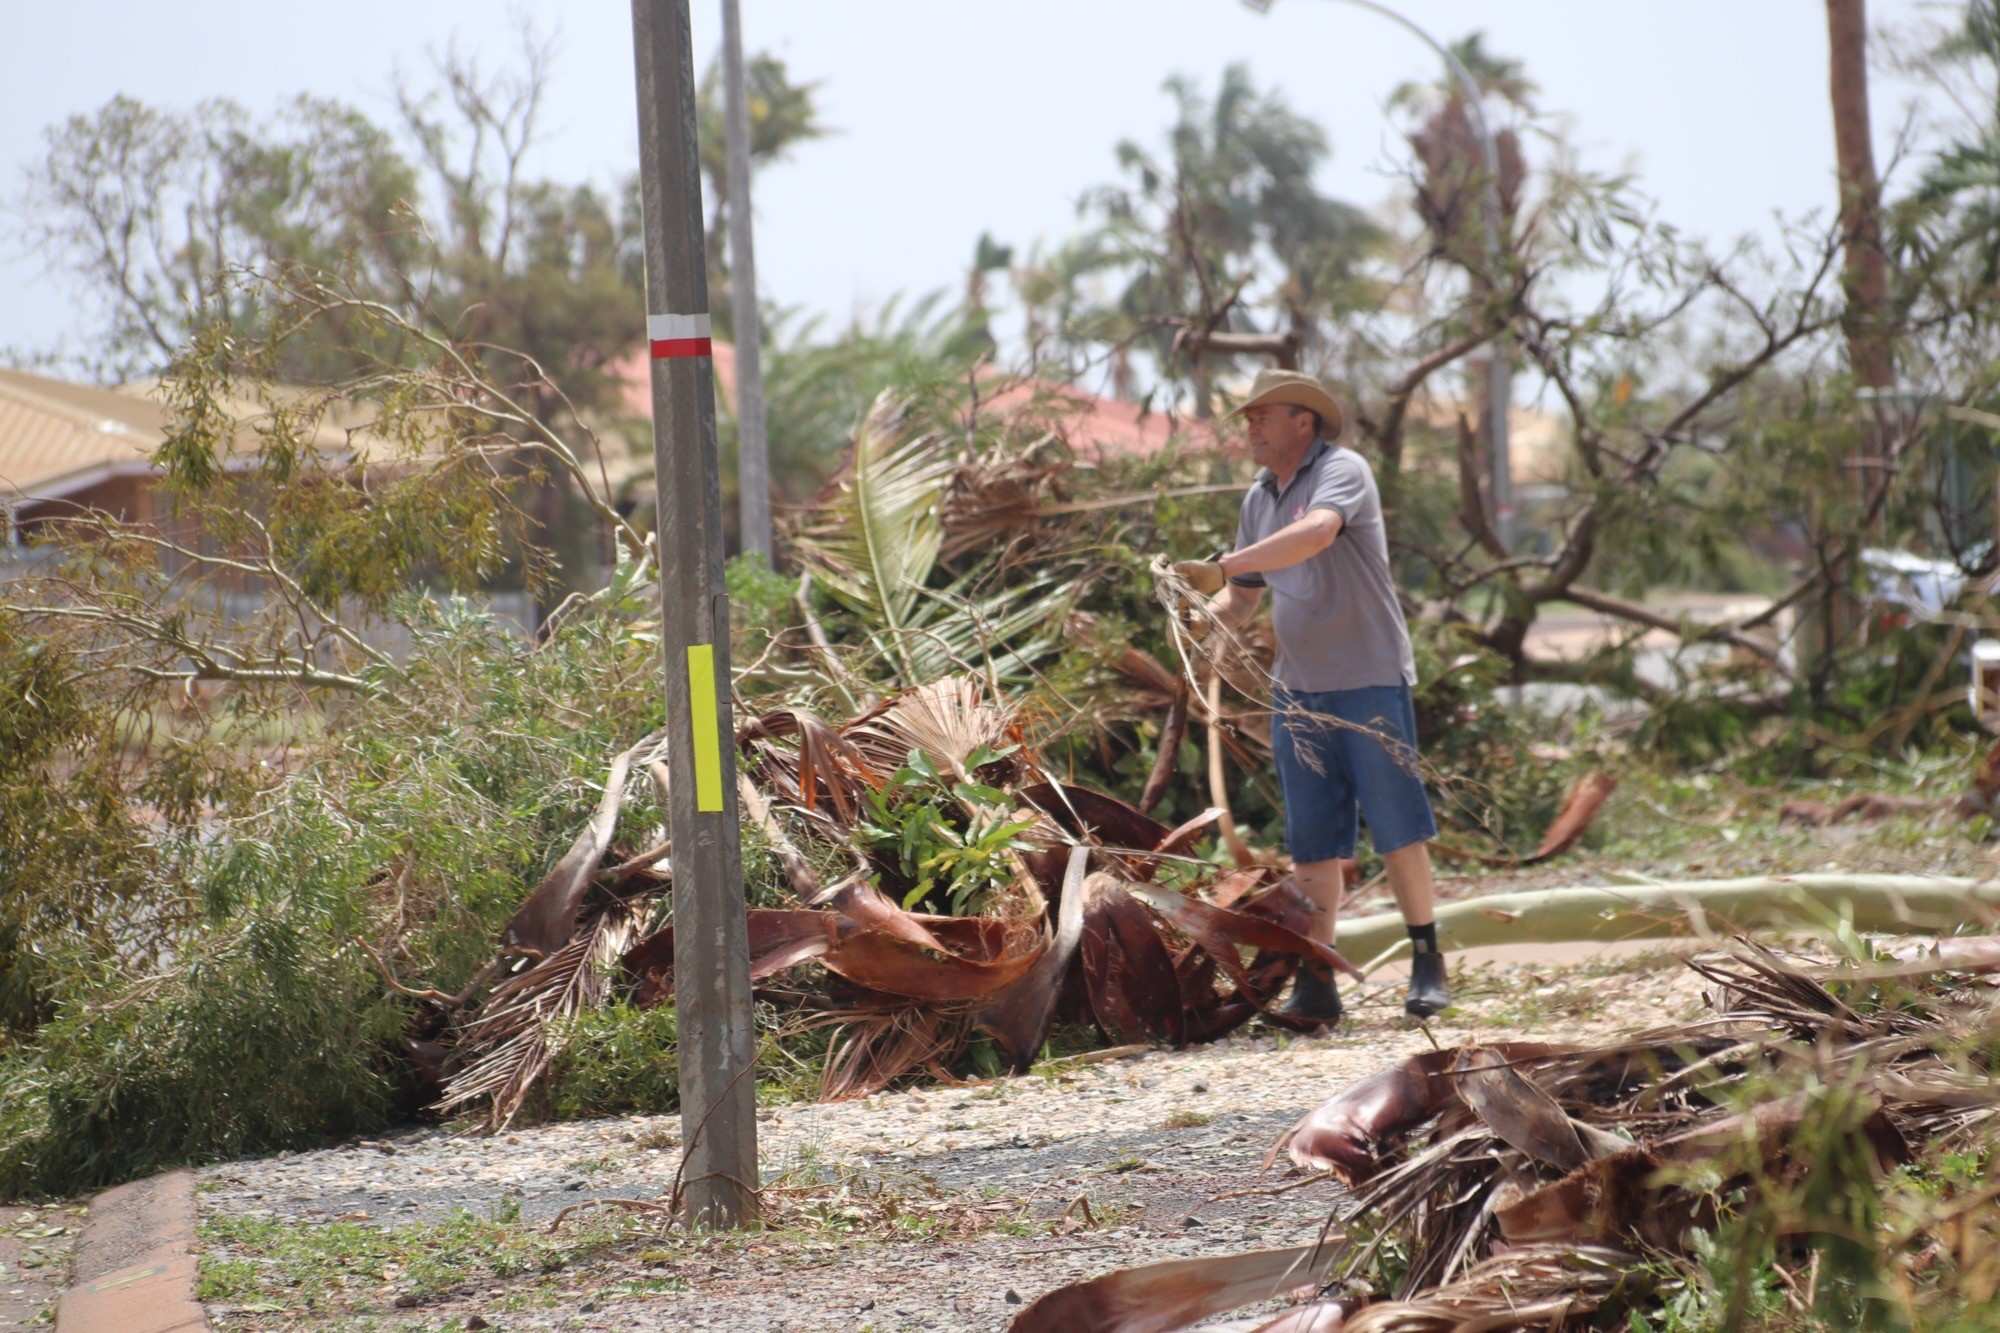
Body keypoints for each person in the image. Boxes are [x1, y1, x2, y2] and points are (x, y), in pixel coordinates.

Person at [1173, 368, 1449, 1025]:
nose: (1250, 428)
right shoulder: (1257, 499)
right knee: (1313, 844)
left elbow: (1318, 533)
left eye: (1261, 416)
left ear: (1304, 421)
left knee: (1397, 828)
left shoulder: (1342, 471)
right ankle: (1319, 981)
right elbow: (1241, 597)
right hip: (1298, 692)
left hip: (1371, 677)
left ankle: (1427, 960)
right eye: (1247, 419)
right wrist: (1203, 618)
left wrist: (1227, 563)